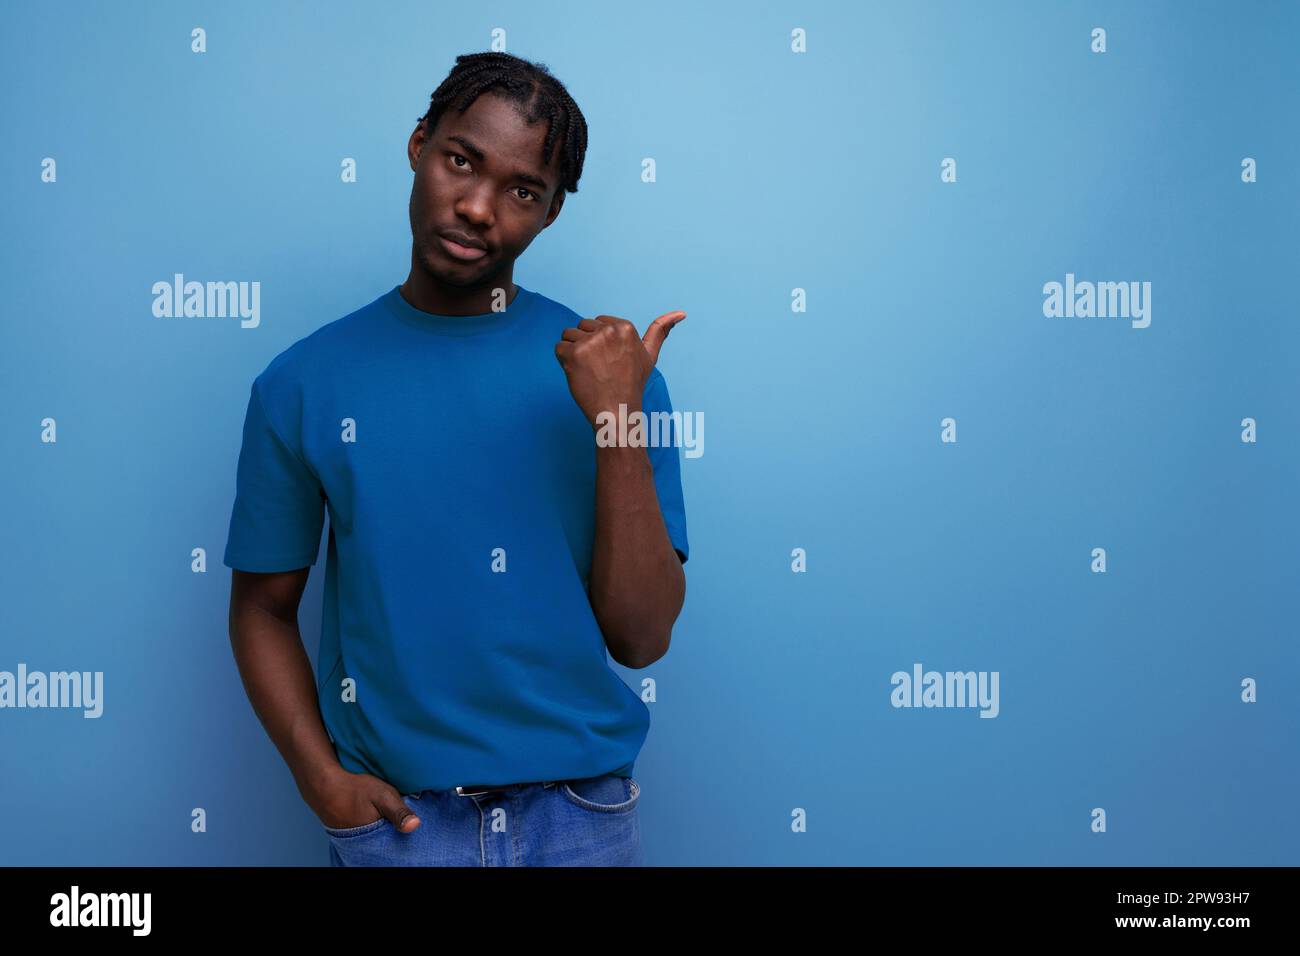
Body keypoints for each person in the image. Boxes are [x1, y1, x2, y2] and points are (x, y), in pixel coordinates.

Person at [222, 51, 689, 867]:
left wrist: (616, 420)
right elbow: (262, 610)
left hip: (583, 818)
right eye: (460, 160)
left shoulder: (617, 378)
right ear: (418, 145)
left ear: (550, 213)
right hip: (400, 828)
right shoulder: (304, 382)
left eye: (522, 191)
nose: (477, 207)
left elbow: (642, 639)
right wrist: (319, 779)